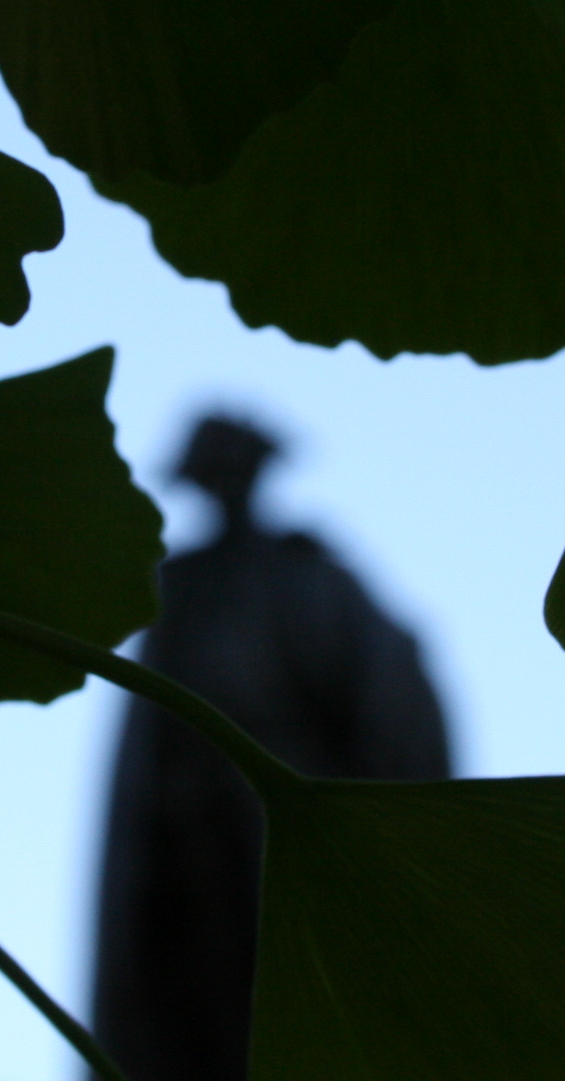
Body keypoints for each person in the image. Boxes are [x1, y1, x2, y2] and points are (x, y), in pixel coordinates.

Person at [88, 413, 451, 1081]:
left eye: (234, 470)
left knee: (298, 989)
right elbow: (147, 739)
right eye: (211, 475)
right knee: (198, 1003)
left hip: (295, 816)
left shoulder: (315, 578)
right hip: (188, 830)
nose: (224, 487)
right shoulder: (179, 587)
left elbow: (392, 694)